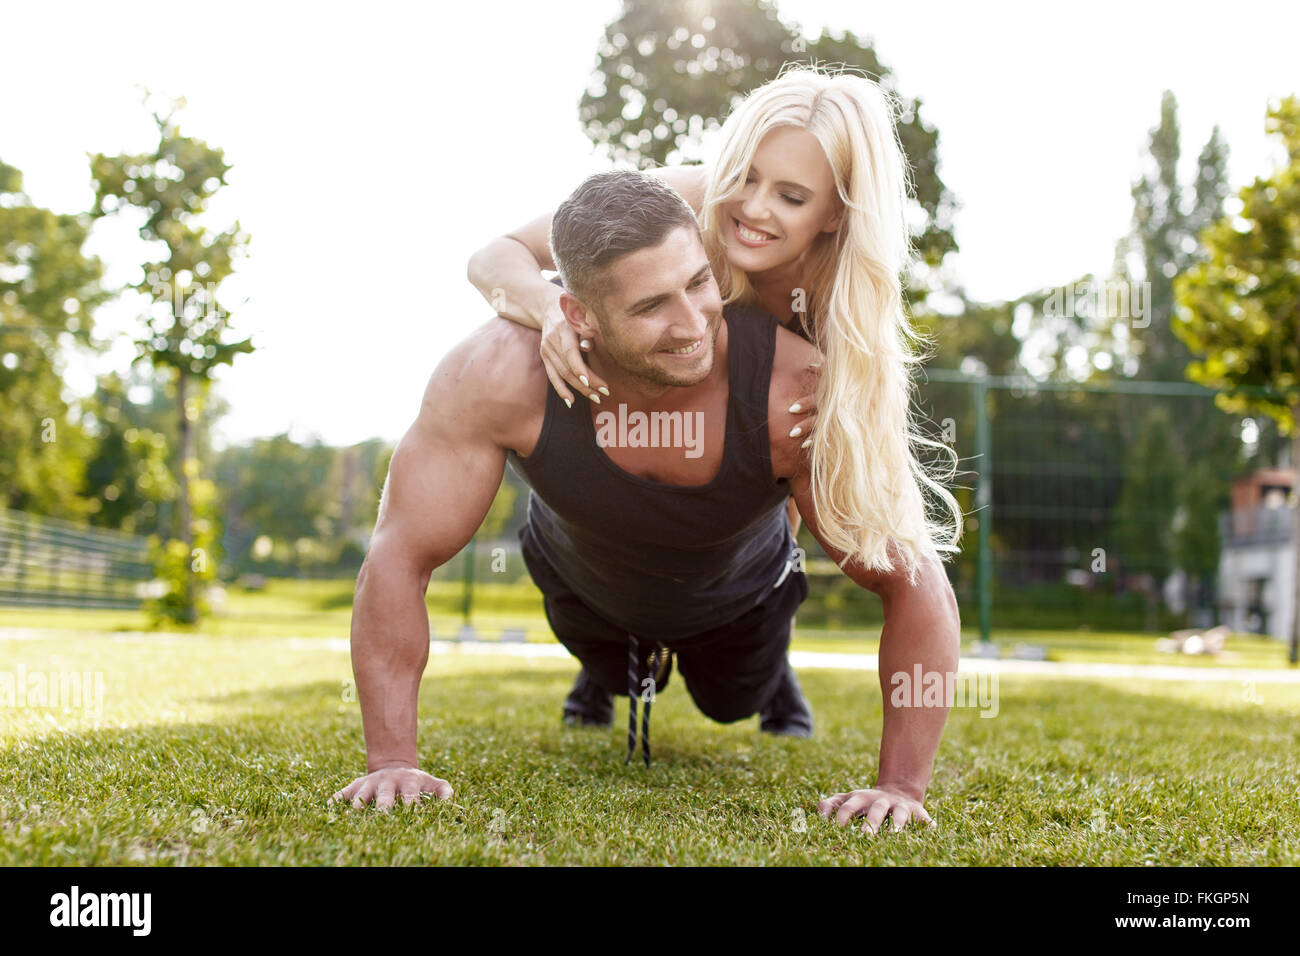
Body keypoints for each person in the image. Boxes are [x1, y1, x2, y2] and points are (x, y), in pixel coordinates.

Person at [334, 170, 961, 835]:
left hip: (738, 596)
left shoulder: (794, 391)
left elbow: (912, 577)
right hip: (584, 582)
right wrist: (391, 760)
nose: (692, 324)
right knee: (608, 668)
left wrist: (901, 785)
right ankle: (608, 670)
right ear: (576, 314)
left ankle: (773, 673)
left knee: (731, 701)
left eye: (698, 283)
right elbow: (400, 553)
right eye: (650, 305)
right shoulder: (495, 374)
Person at [468, 64, 964, 720]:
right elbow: (494, 256)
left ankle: (765, 655)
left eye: (791, 197)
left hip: (744, 468)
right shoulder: (680, 201)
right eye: (747, 177)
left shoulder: (842, 306)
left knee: (778, 504)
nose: (754, 209)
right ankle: (610, 652)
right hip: (632, 426)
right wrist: (548, 306)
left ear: (834, 212)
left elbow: (826, 492)